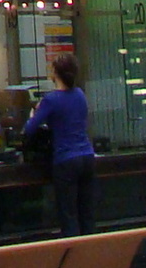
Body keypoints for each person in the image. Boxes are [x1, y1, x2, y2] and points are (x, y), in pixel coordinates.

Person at [23, 54, 96, 235]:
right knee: (86, 214)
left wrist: (33, 115)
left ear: (55, 74)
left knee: (68, 214)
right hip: (87, 156)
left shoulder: (51, 100)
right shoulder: (80, 94)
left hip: (66, 160)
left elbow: (30, 129)